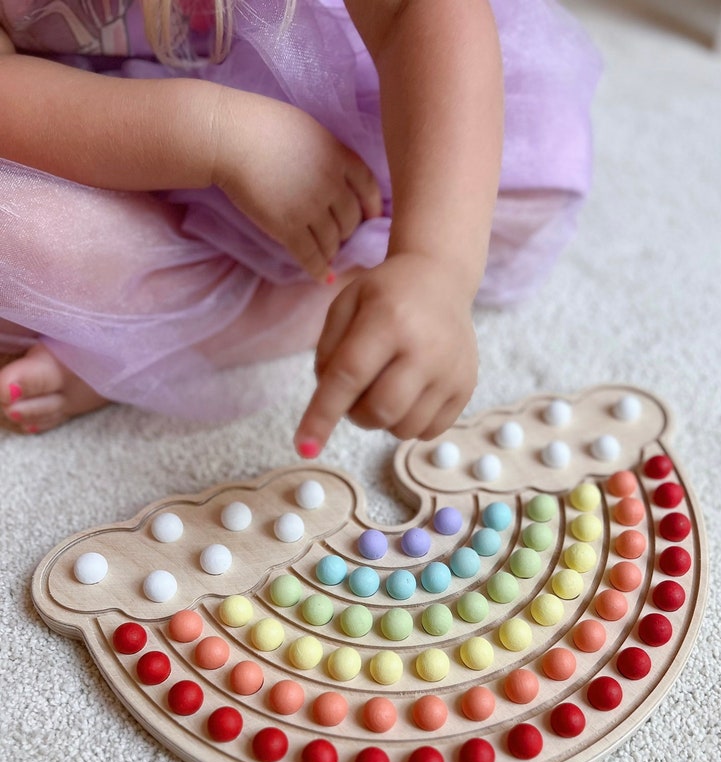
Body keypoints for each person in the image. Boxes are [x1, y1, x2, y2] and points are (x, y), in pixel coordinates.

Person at [0, 0, 599, 454]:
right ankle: (166, 340)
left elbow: (414, 14)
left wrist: (437, 263)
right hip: (105, 140)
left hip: (341, 124)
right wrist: (211, 133)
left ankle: (362, 277)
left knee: (529, 151)